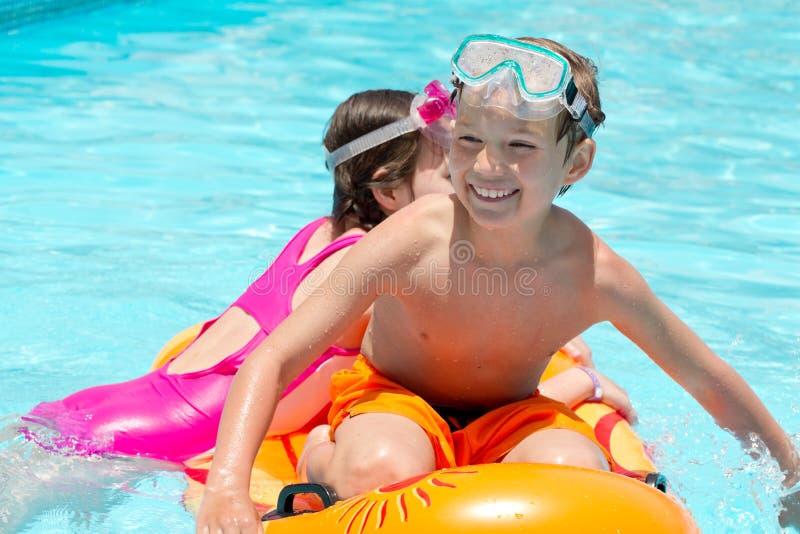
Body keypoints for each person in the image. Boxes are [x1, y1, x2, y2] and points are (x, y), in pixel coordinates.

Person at [195, 34, 799, 533]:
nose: (488, 166)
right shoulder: (416, 237)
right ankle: (325, 449)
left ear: (576, 163)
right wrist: (226, 485)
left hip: (511, 415)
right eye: (470, 140)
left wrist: (791, 476)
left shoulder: (592, 270)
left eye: (520, 146)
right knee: (383, 466)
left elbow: (708, 379)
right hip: (393, 401)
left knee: (578, 473)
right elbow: (276, 354)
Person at [20, 81, 614, 465]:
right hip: (143, 445)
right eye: (448, 177)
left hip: (110, 406)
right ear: (387, 195)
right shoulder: (377, 278)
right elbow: (452, 403)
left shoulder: (317, 236)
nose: (470, 184)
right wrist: (579, 383)